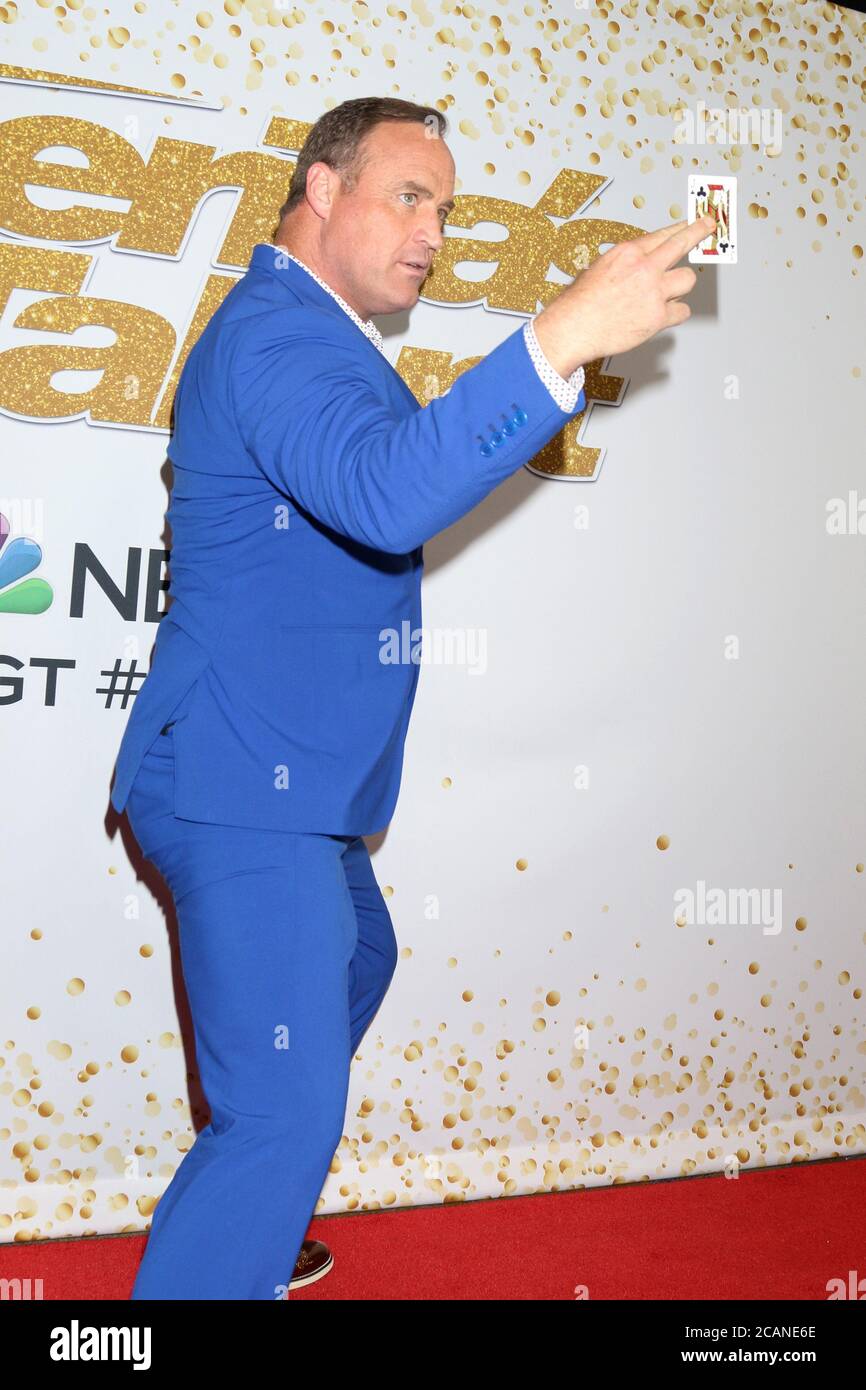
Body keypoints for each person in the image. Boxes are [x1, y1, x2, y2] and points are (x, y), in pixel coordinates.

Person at [111, 94, 714, 1299]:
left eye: (442, 205)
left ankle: (252, 1196)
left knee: (355, 958)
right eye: (408, 194)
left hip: (293, 781)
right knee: (282, 1113)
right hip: (237, 778)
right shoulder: (275, 333)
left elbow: (392, 484)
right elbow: (388, 497)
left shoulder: (323, 337)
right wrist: (556, 339)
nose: (433, 228)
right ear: (322, 190)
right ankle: (235, 1224)